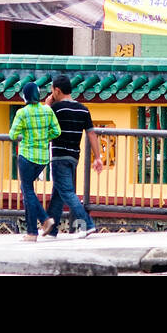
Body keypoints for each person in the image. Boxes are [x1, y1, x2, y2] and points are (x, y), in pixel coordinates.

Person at [45, 74, 104, 239]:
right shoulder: (83, 109)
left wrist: (47, 105)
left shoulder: (56, 109)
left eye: (52, 91)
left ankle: (87, 225)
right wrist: (97, 157)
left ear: (57, 90)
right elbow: (91, 134)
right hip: (74, 157)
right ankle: (52, 229)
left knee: (66, 192)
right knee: (58, 192)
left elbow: (43, 121)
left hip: (59, 156)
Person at [8, 81, 61, 242]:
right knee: (27, 191)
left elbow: (12, 134)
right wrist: (44, 138)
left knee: (27, 191)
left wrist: (25, 135)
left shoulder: (22, 113)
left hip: (26, 156)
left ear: (25, 96)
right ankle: (31, 233)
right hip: (43, 158)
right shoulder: (47, 110)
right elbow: (56, 131)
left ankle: (44, 220)